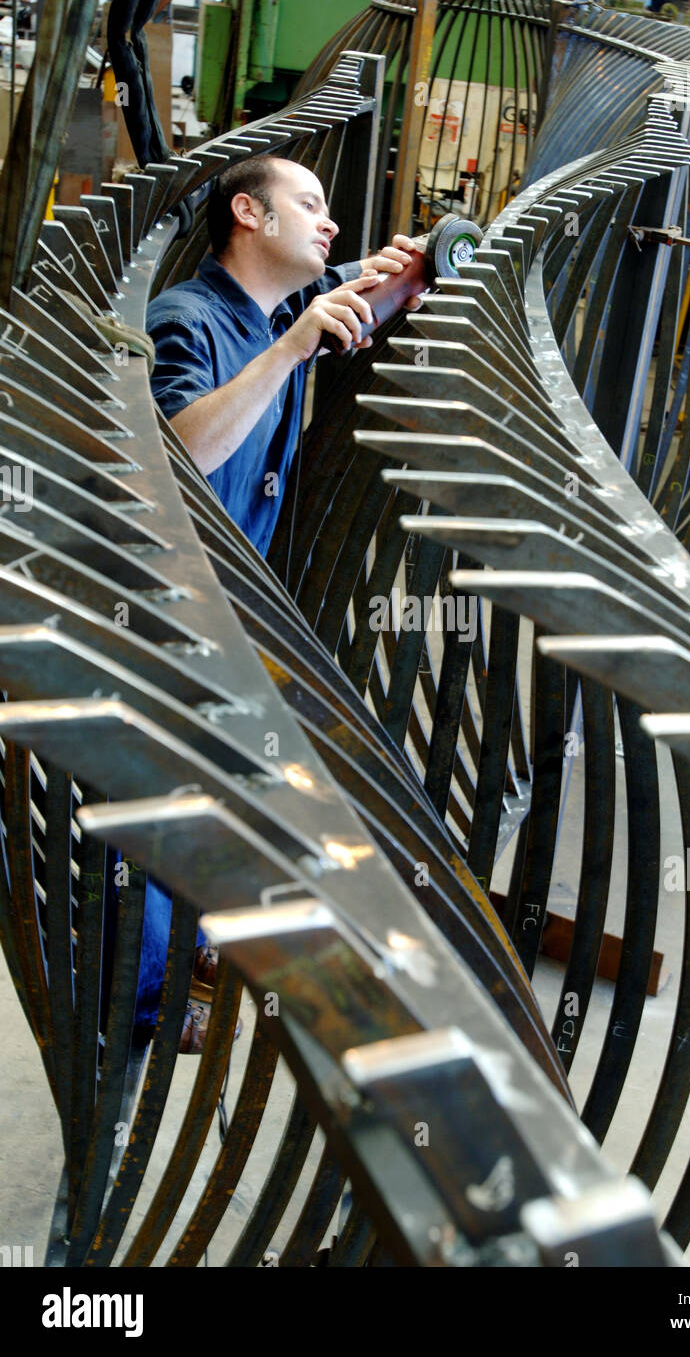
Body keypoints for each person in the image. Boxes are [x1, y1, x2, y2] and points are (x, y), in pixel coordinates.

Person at [137, 155, 420, 1048]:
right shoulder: (187, 320)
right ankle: (139, 1006)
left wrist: (406, 264)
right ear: (247, 213)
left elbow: (348, 278)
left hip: (235, 603)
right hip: (168, 610)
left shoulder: (278, 305)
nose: (329, 222)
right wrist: (293, 349)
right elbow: (181, 455)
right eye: (311, 205)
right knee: (168, 803)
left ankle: (197, 939)